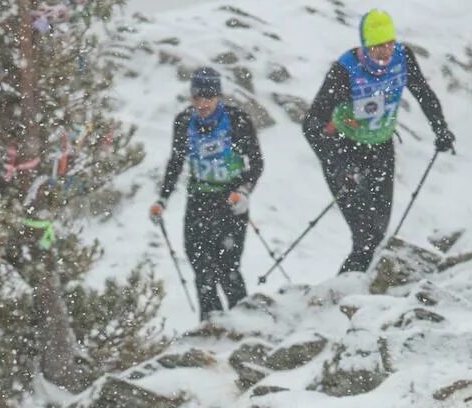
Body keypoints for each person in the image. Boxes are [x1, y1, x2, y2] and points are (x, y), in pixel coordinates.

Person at [301, 9, 456, 273]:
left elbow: (423, 92)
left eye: (389, 44)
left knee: (378, 232)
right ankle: (349, 287)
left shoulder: (403, 58)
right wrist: (338, 165)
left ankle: (362, 285)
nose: (384, 53)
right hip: (345, 151)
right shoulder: (344, 71)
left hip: (381, 149)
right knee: (366, 238)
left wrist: (440, 128)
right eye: (377, 47)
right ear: (364, 46)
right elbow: (311, 124)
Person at [152, 66, 265, 320]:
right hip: (199, 200)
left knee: (227, 267)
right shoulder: (184, 122)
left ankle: (244, 323)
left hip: (230, 201)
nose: (202, 104)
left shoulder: (237, 120)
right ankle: (210, 324)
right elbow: (176, 163)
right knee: (200, 267)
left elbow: (257, 163)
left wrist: (244, 191)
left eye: (208, 97)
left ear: (218, 96)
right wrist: (163, 199)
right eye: (197, 97)